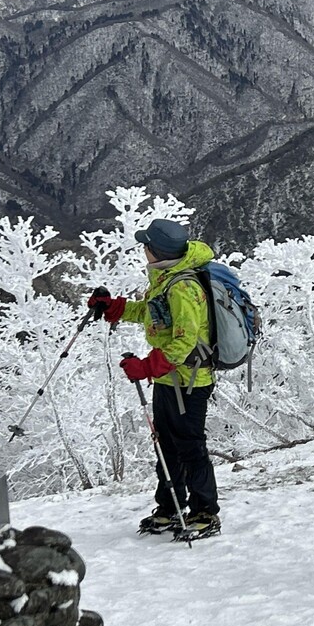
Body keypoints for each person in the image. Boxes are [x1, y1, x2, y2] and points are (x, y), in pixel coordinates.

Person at [87, 218, 221, 541]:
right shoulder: (166, 279)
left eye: (145, 245)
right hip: (168, 381)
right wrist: (116, 309)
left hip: (189, 383)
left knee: (190, 447)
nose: (142, 249)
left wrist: (146, 367)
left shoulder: (183, 288)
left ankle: (205, 512)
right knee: (166, 446)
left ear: (156, 252)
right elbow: (153, 314)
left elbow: (184, 342)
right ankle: (170, 506)